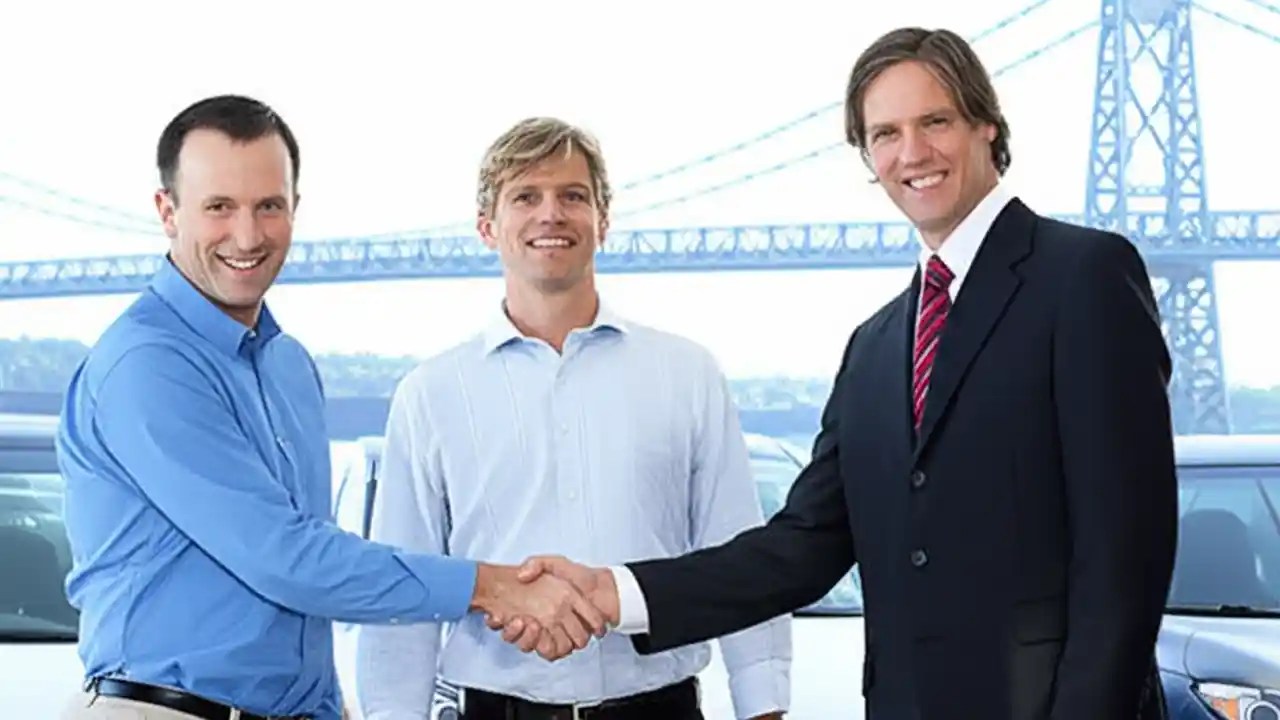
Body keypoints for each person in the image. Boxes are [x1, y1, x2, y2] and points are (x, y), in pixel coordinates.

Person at [507, 27, 1179, 720]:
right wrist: (614, 593)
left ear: (986, 125)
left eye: (935, 122)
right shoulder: (875, 346)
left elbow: (1126, 554)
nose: (911, 153)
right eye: (885, 134)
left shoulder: (1084, 277)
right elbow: (803, 546)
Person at [55, 95, 605, 720]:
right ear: (167, 211)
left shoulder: (287, 365)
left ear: (294, 207)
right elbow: (283, 557)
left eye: (269, 206)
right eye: (219, 207)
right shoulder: (146, 366)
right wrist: (490, 586)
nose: (247, 236)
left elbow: (309, 579)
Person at [354, 116, 790, 720]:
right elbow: (404, 591)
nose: (550, 215)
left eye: (573, 196)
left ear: (602, 220)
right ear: (487, 226)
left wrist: (763, 707)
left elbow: (739, 555)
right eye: (525, 197)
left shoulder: (688, 374)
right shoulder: (429, 395)